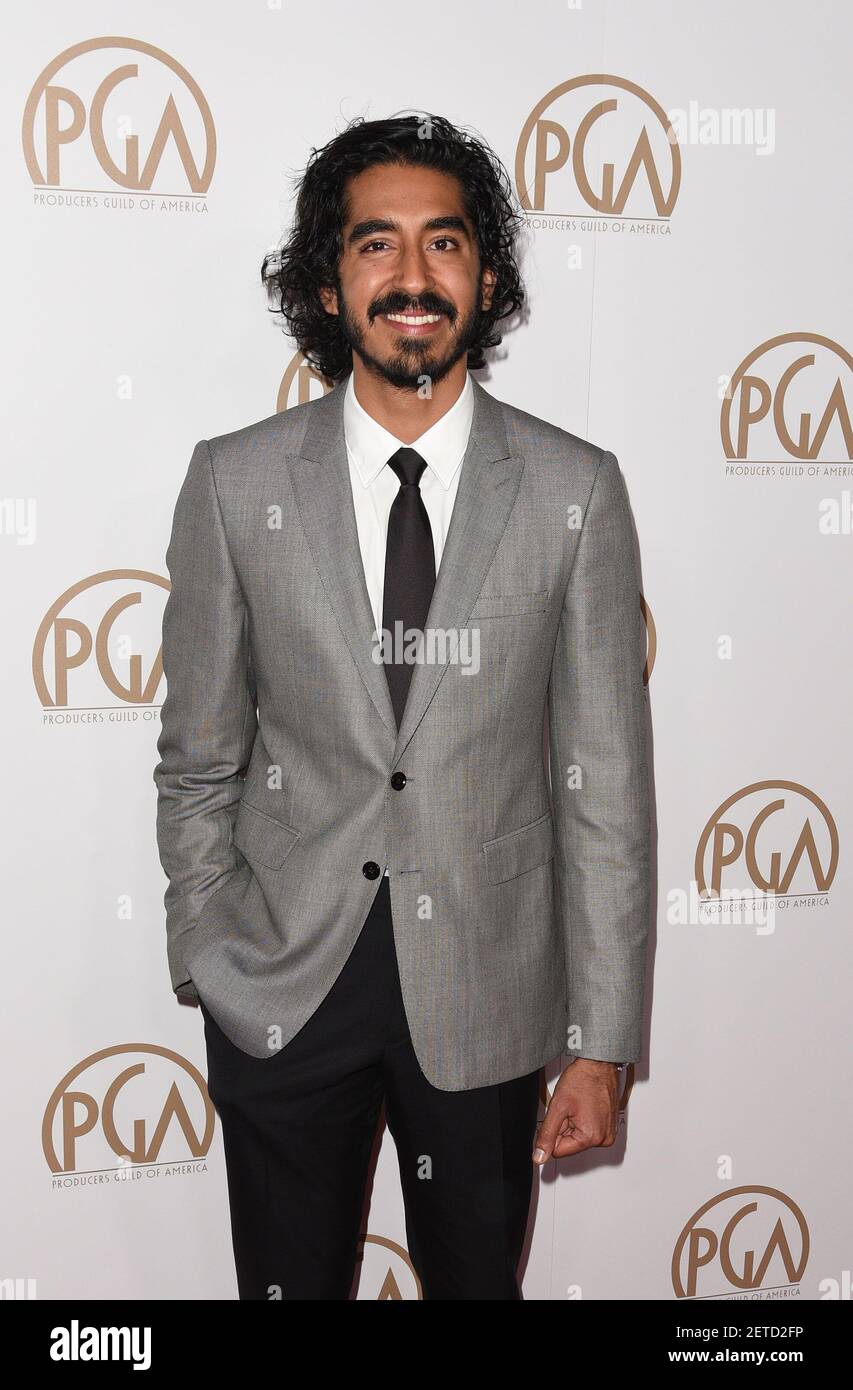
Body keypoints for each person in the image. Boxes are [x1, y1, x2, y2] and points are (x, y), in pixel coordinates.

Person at [153, 112, 651, 1301]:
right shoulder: (235, 481)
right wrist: (208, 949)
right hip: (282, 984)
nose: (413, 278)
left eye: (445, 243)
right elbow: (199, 758)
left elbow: (606, 787)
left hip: (488, 987)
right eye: (376, 246)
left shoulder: (575, 489)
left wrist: (602, 1039)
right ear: (329, 283)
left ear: (486, 276)